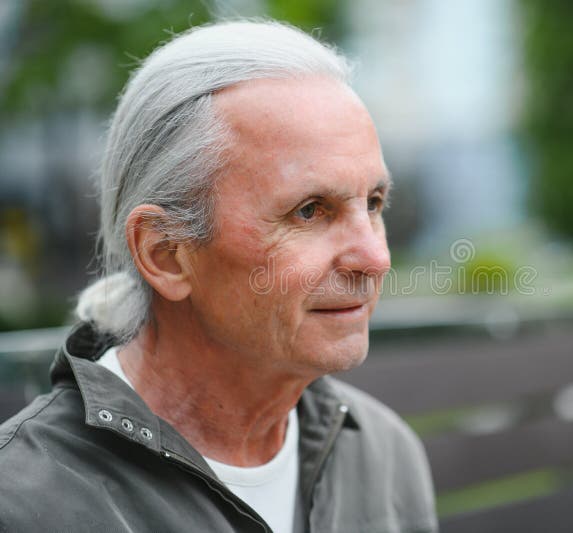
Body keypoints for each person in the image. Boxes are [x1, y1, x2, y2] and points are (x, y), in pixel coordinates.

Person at [0, 20, 438, 533]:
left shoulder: (382, 454)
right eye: (309, 211)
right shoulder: (26, 503)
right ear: (166, 254)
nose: (375, 258)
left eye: (374, 203)